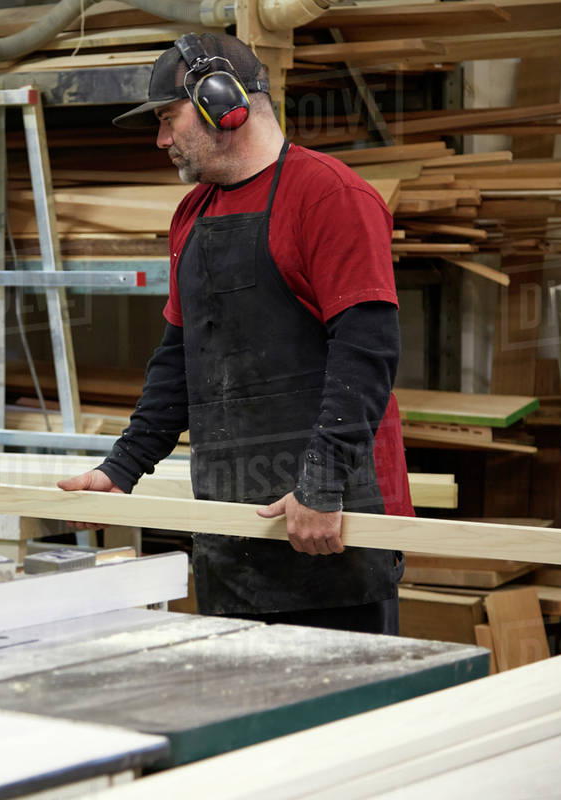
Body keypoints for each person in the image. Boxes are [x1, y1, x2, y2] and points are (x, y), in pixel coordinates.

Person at [57, 33, 411, 635]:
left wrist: (322, 485)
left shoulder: (330, 196)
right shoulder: (192, 214)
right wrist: (122, 468)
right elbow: (178, 359)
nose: (161, 140)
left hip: (331, 522)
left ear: (224, 103)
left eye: (168, 119)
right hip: (232, 527)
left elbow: (367, 350)